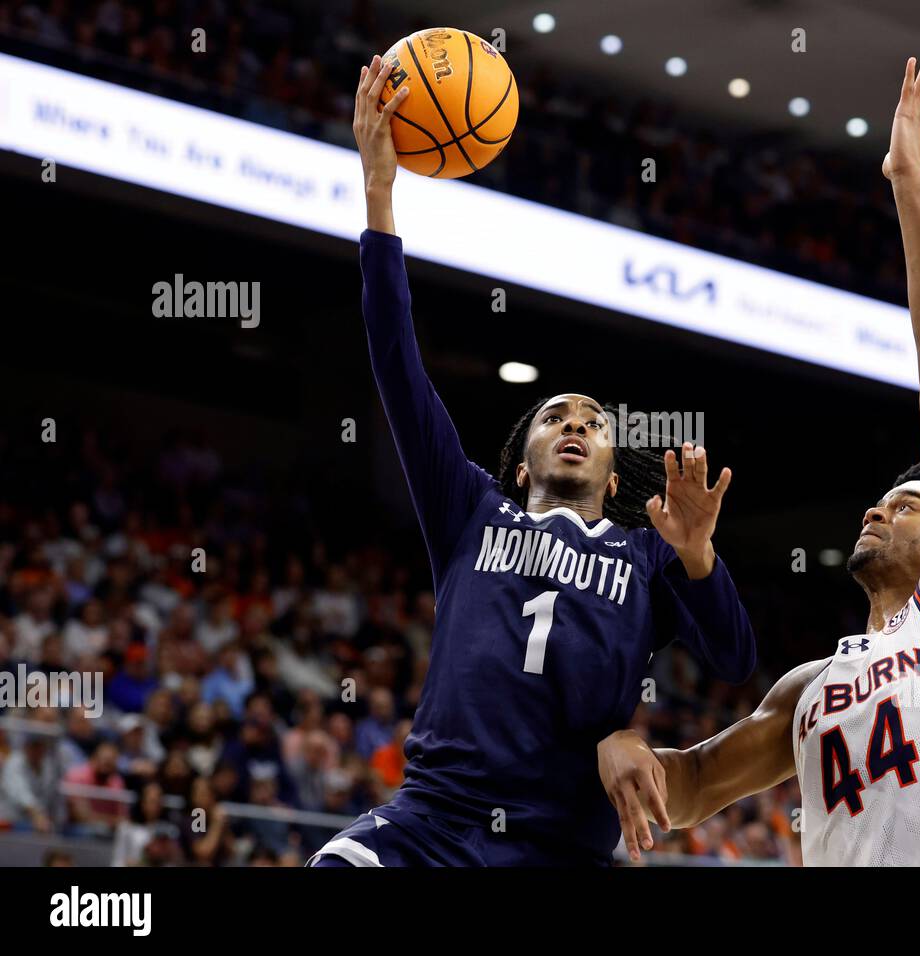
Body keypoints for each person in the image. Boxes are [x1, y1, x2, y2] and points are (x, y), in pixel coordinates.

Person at [597, 46, 920, 867]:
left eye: (907, 505)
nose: (877, 509)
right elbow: (695, 785)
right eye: (880, 500)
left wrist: (909, 181)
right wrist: (628, 752)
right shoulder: (809, 689)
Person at [309, 56, 757, 867]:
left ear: (616, 481)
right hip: (433, 820)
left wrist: (698, 558)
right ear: (521, 464)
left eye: (594, 422)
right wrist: (380, 192)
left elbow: (735, 660)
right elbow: (397, 365)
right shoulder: (470, 511)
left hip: (556, 844)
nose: (576, 425)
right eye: (556, 418)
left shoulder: (648, 554)